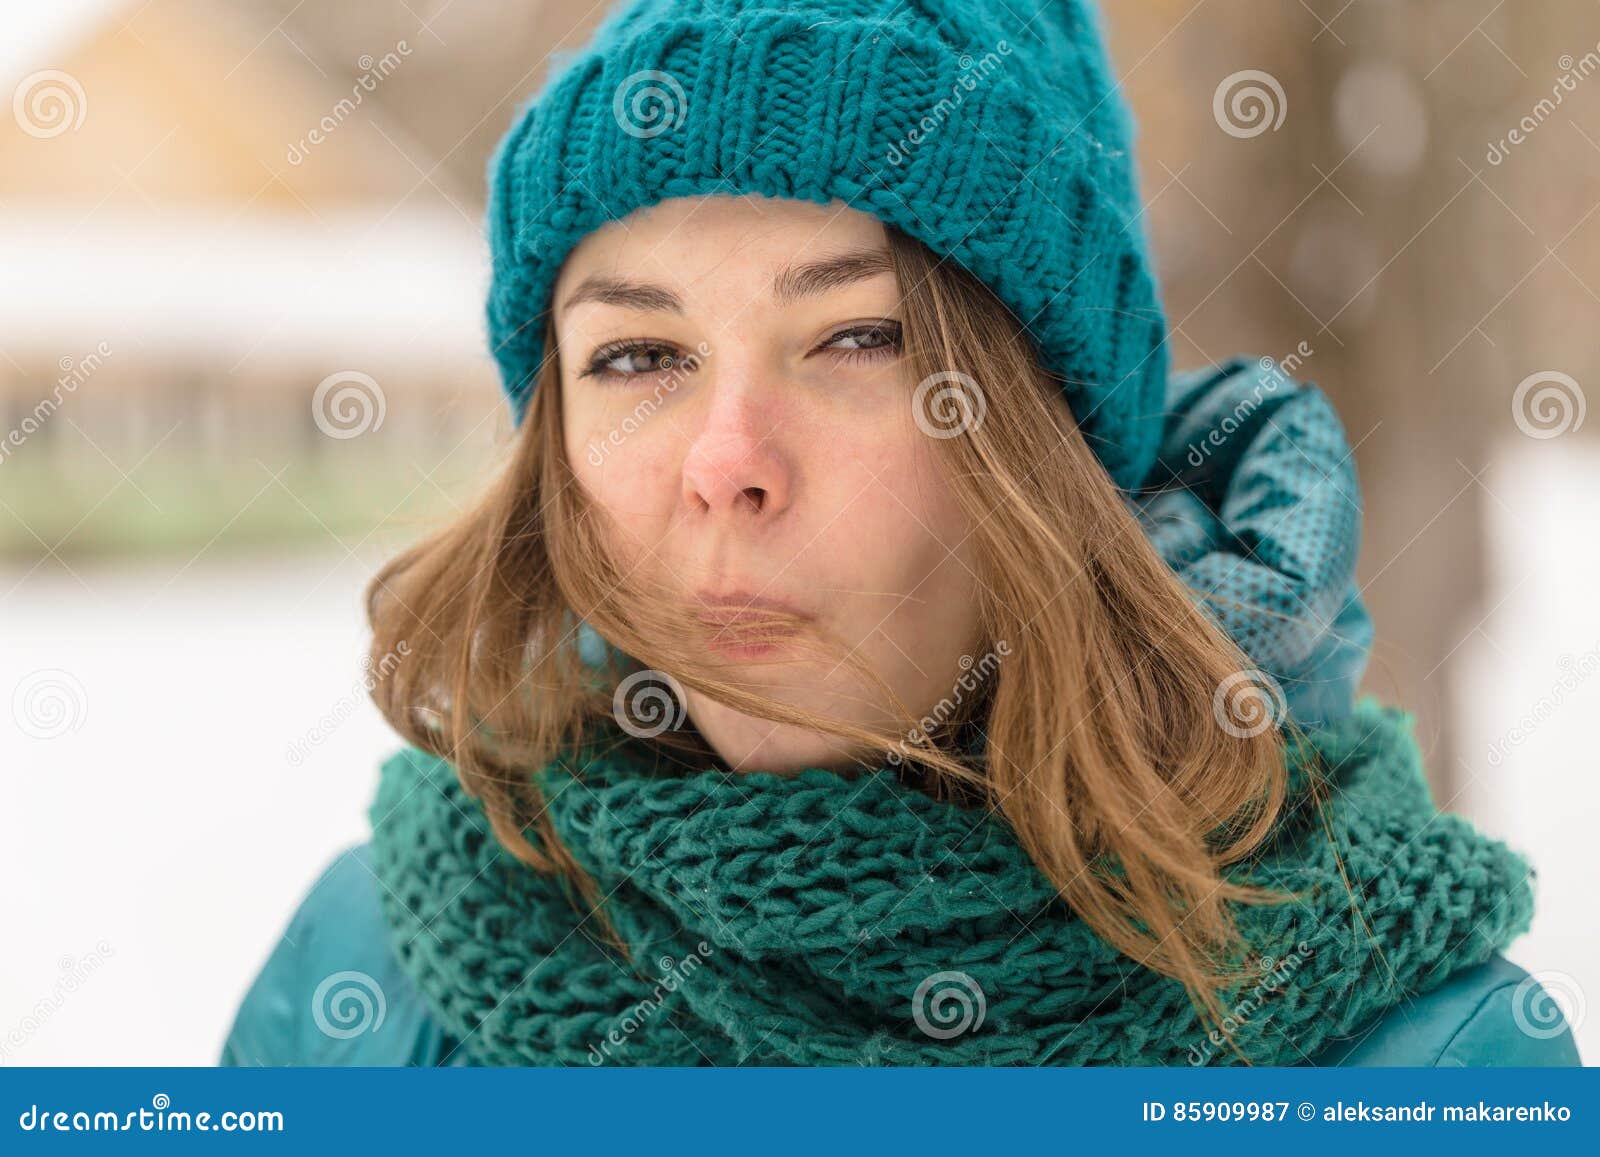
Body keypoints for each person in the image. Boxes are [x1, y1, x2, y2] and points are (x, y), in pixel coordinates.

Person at [221, 0, 1580, 1066]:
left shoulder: (1411, 1055)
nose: (726, 463)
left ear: (1047, 439)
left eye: (857, 337)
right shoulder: (369, 980)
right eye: (639, 356)